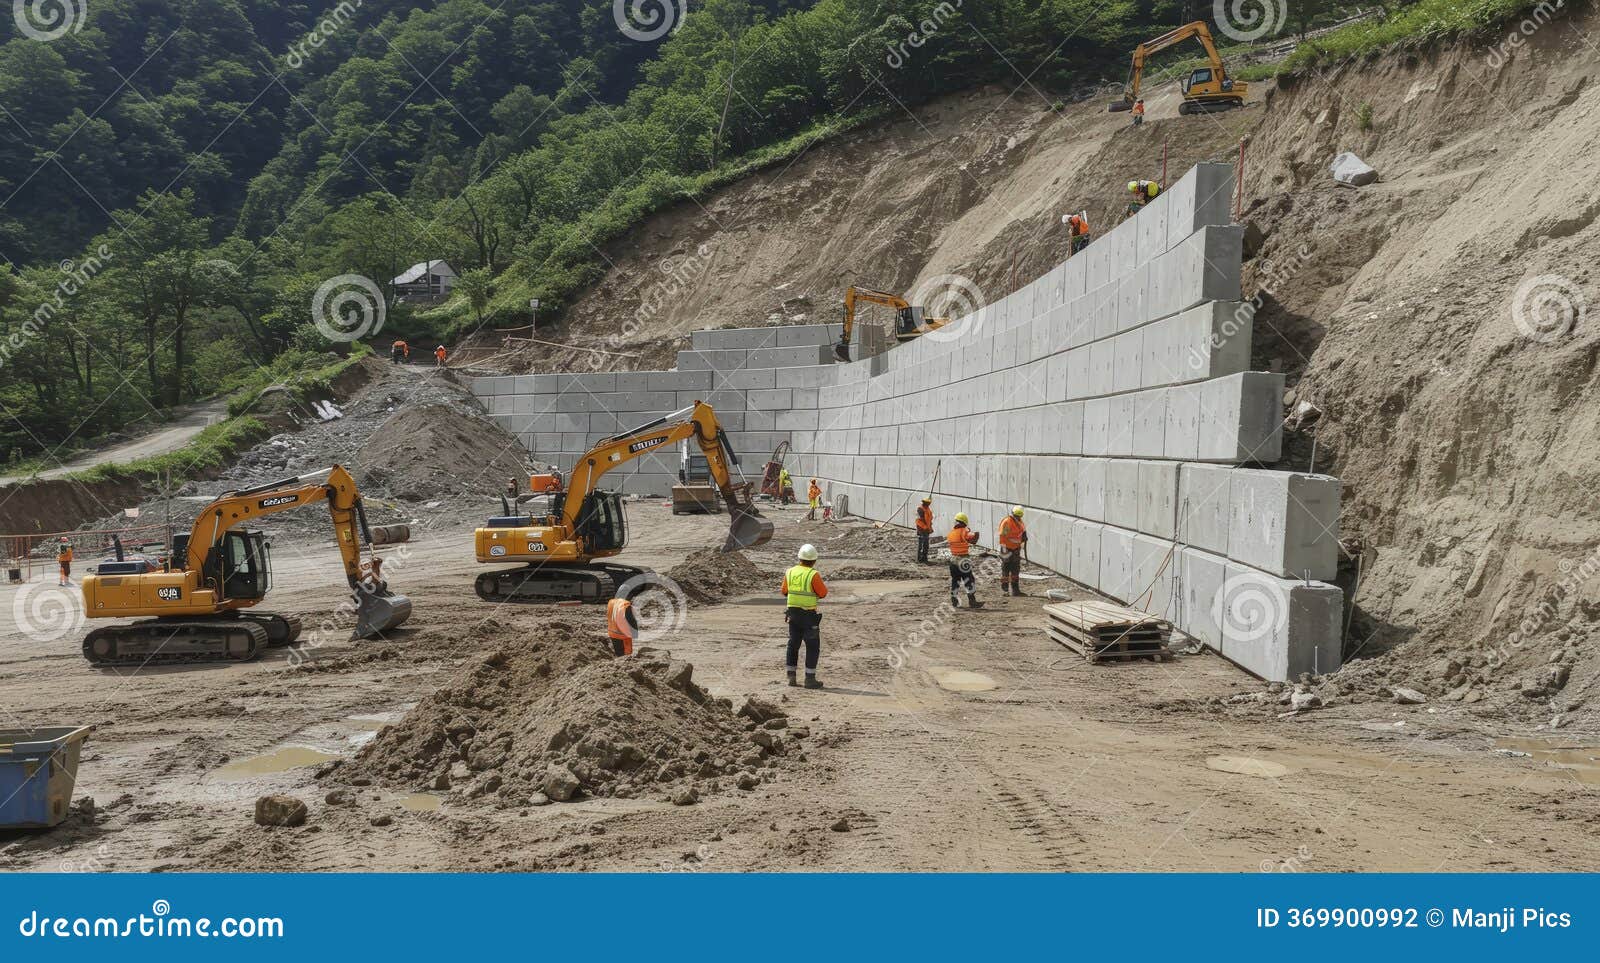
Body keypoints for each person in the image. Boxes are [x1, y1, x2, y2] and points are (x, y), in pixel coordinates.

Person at [782, 544, 828, 688]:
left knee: (793, 644)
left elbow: (784, 591)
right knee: (813, 646)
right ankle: (809, 679)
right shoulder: (813, 574)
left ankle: (791, 677)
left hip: (793, 615)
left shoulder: (789, 572)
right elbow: (823, 593)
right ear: (814, 560)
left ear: (799, 558)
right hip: (808, 615)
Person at [946, 513, 983, 609]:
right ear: (964, 523)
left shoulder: (951, 533)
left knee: (955, 581)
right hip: (963, 561)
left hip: (953, 560)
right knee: (969, 580)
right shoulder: (964, 531)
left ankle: (954, 599)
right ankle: (972, 601)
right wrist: (976, 534)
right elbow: (972, 538)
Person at [997, 506, 1029, 597]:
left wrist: (1023, 537)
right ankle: (1005, 589)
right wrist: (1017, 541)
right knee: (1006, 568)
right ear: (1013, 514)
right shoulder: (1007, 522)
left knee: (1015, 569)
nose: (1018, 518)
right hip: (1006, 548)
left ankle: (1015, 590)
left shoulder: (1020, 522)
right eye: (1017, 516)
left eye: (1019, 516)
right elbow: (1004, 536)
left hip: (1015, 549)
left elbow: (1020, 532)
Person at [914, 497, 934, 564]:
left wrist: (929, 528)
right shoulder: (920, 509)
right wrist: (925, 528)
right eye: (928, 503)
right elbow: (918, 521)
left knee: (926, 545)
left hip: (926, 529)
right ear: (925, 503)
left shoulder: (927, 509)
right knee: (921, 544)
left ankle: (924, 558)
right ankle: (919, 559)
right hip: (921, 529)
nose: (929, 504)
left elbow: (929, 520)